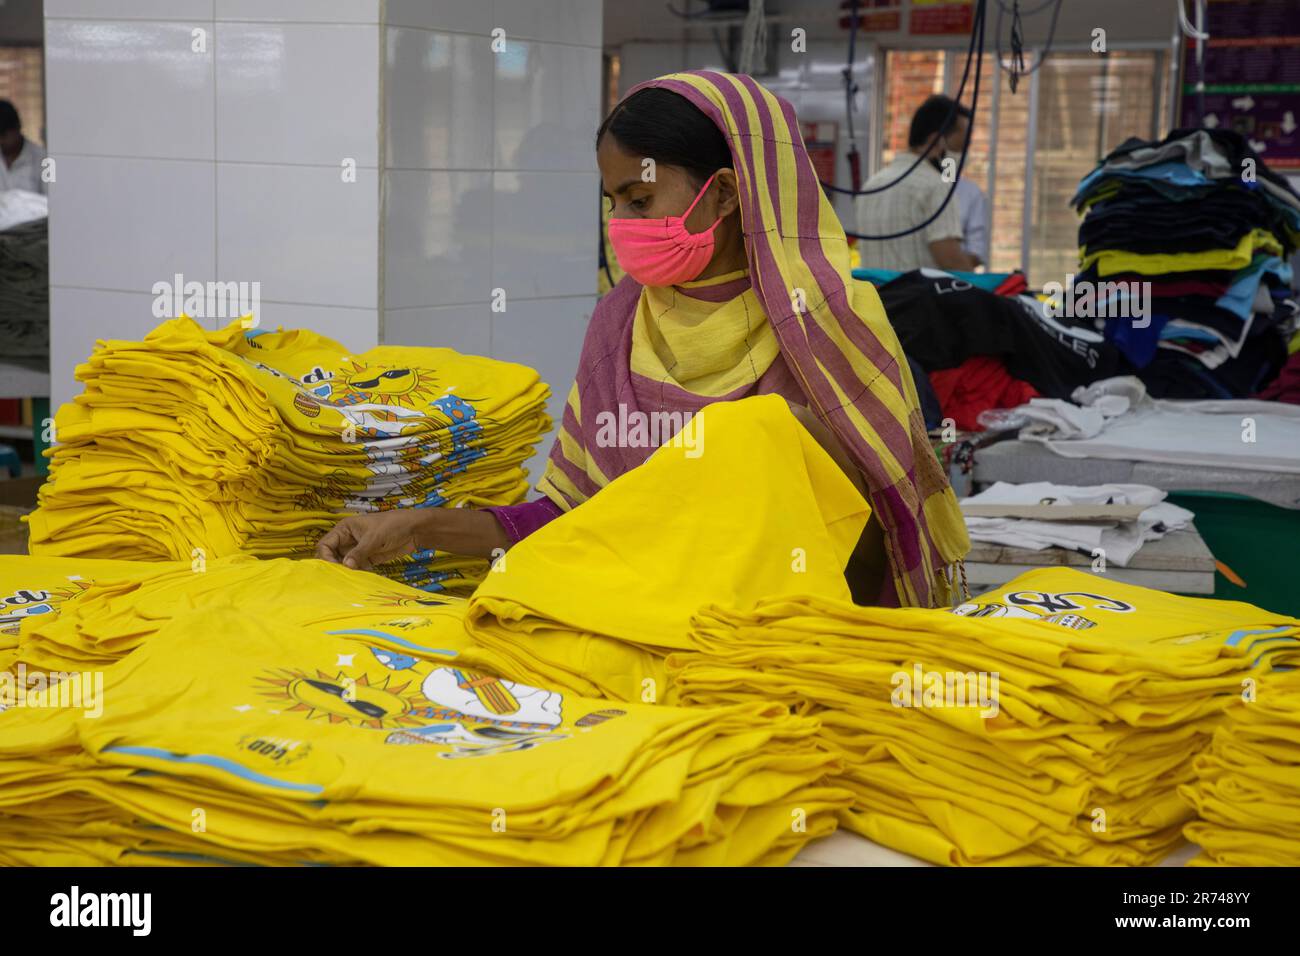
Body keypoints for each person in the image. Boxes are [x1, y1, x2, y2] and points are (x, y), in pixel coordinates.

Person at [319, 71, 969, 608]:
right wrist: (414, 527)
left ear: (722, 196)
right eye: (612, 202)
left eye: (639, 198)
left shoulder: (825, 327)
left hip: (786, 647)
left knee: (760, 433)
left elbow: (881, 537)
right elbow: (577, 517)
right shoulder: (620, 325)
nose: (620, 224)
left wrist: (775, 455)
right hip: (644, 627)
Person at [854, 94, 978, 273]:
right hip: (919, 300)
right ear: (936, 140)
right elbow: (951, 262)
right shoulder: (936, 186)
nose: (962, 155)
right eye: (960, 147)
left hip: (877, 298)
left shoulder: (873, 184)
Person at [0, 100, 47, 196]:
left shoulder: (43, 159)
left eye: (4, 135)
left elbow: (51, 201)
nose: (1, 141)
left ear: (17, 127)